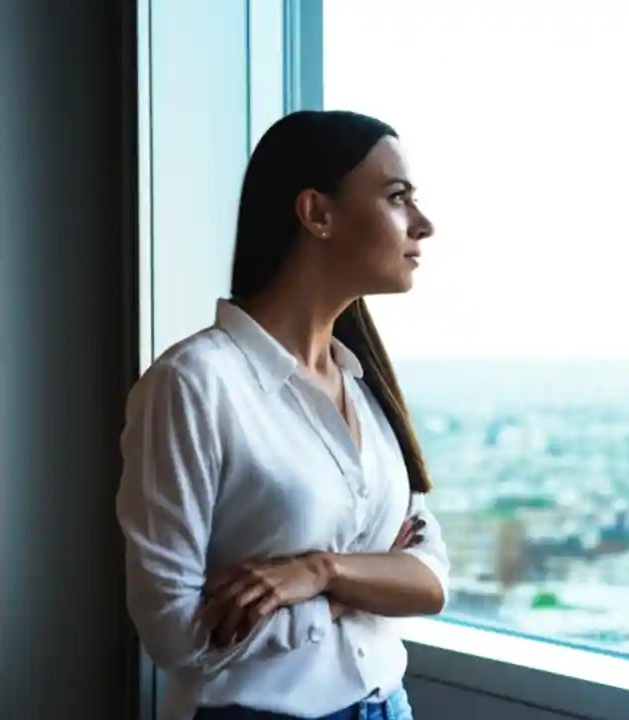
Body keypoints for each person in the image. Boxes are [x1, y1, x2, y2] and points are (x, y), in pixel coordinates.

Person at [116, 110, 450, 720]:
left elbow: (430, 580)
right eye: (398, 197)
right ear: (317, 213)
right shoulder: (194, 385)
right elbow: (174, 632)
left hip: (388, 706)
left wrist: (319, 572)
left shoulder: (365, 383)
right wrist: (362, 589)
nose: (423, 225)